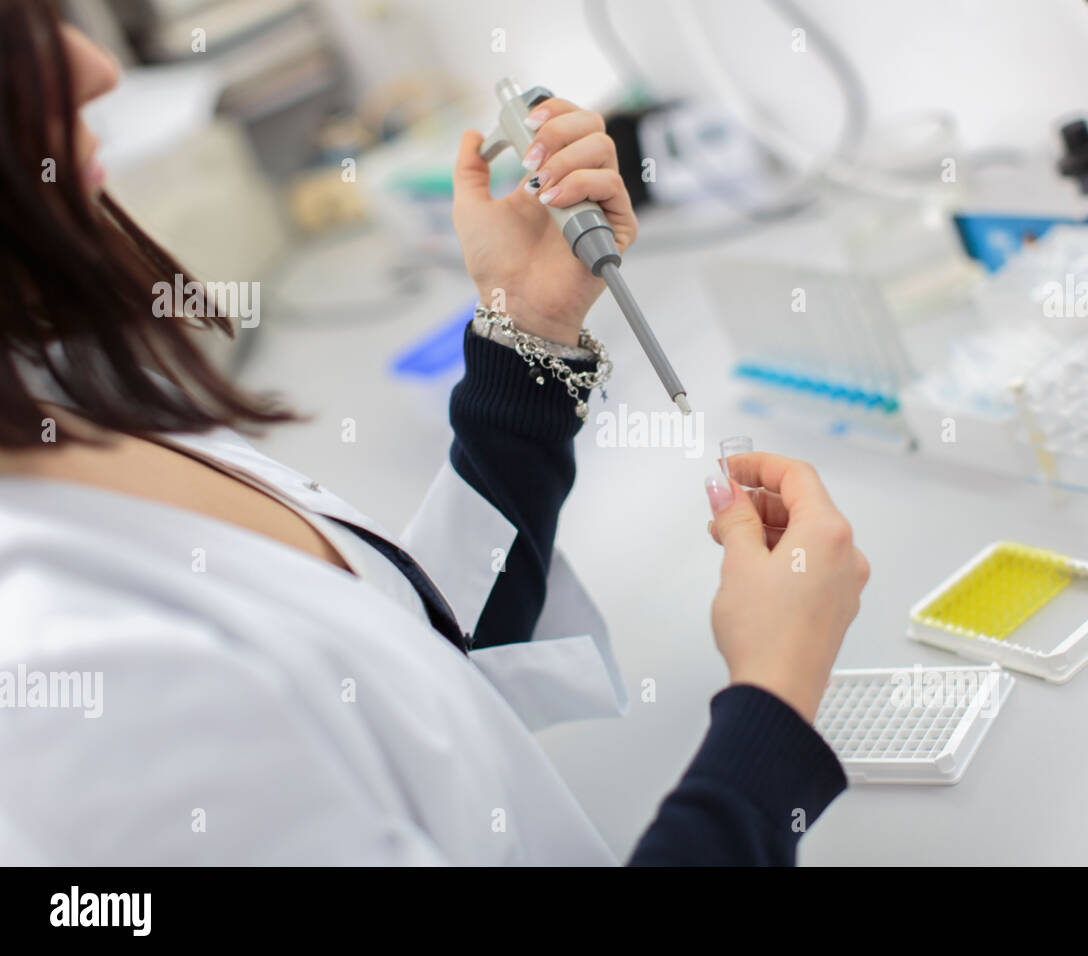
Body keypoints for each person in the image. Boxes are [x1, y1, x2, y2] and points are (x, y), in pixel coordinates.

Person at [0, 1, 870, 865]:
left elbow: (408, 644)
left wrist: (527, 322)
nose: (93, 68)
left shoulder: (55, 409)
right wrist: (774, 699)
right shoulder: (64, 671)